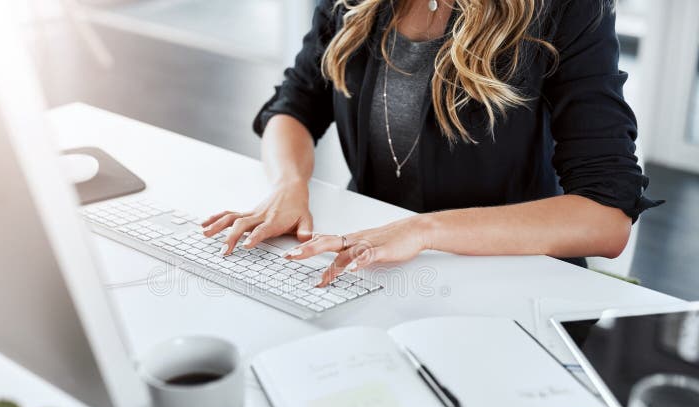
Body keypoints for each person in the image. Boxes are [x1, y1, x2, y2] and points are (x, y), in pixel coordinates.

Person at [201, 0, 660, 287]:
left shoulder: (567, 9)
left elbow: (606, 217)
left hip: (509, 278)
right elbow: (294, 103)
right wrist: (289, 185)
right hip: (373, 263)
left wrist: (423, 230)